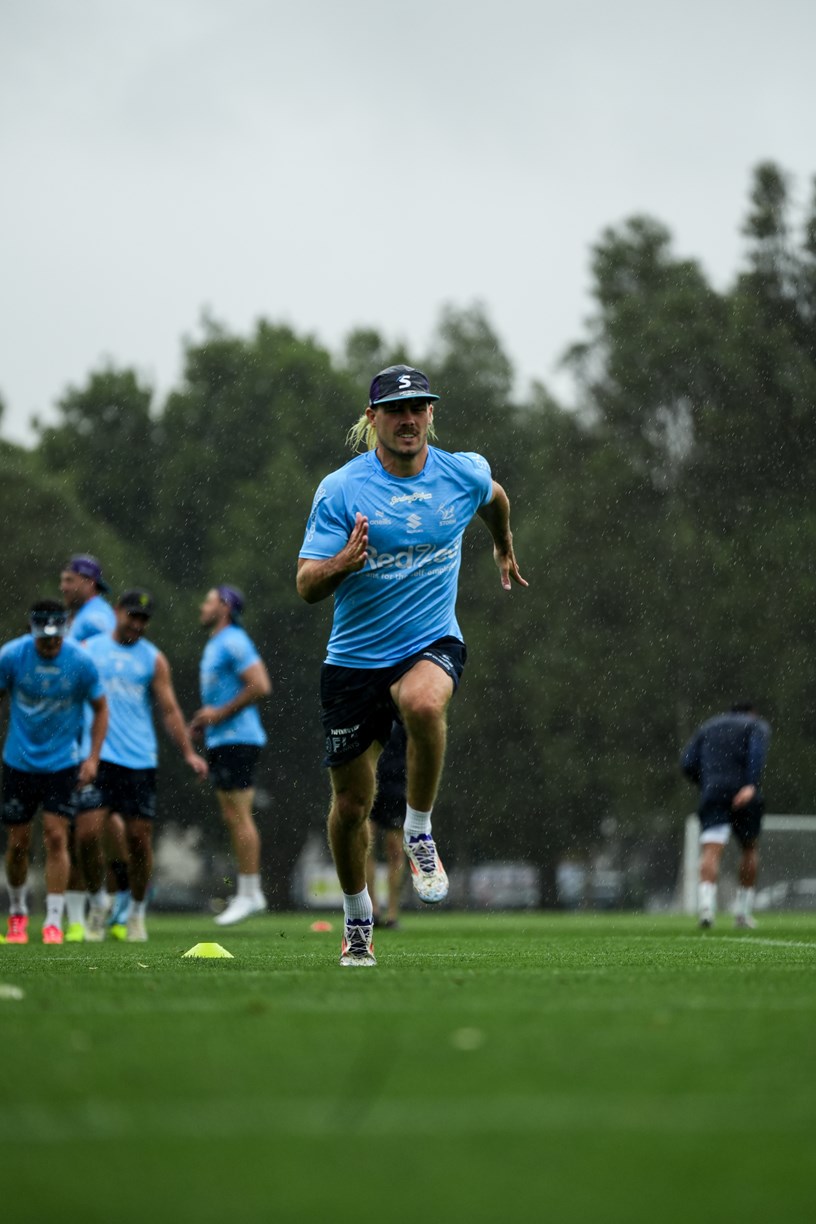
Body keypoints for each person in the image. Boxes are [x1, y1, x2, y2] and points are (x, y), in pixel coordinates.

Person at [297, 364, 527, 966]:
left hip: (430, 641)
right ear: (372, 419)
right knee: (350, 809)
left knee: (423, 702)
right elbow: (304, 585)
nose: (408, 419)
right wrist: (341, 564)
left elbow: (496, 497)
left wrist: (502, 544)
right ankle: (357, 922)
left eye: (418, 408)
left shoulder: (461, 473)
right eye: (395, 410)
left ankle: (420, 830)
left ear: (430, 415)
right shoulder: (342, 489)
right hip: (353, 662)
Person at [78, 590, 209, 941]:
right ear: (117, 611)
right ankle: (97, 904)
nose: (137, 624)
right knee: (88, 835)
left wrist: (188, 754)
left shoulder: (153, 659)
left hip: (138, 760)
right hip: (98, 757)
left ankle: (136, 912)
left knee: (138, 840)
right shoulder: (89, 650)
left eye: (143, 620)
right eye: (132, 616)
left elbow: (169, 710)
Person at [0, 601, 108, 944]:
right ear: (32, 631)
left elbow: (101, 707)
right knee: (17, 844)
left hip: (63, 762)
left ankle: (53, 920)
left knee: (57, 837)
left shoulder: (80, 661)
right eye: (43, 639)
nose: (50, 645)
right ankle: (17, 914)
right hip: (18, 761)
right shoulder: (12, 656)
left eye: (56, 638)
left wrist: (92, 758)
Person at [190, 586, 272, 926]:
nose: (202, 606)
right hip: (224, 740)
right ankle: (248, 891)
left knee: (239, 815)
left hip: (238, 739)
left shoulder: (234, 641)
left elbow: (261, 685)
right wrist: (207, 721)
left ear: (224, 607)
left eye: (208, 601)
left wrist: (219, 715)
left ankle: (250, 893)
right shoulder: (217, 643)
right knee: (232, 815)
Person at [59, 553, 128, 940]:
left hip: (93, 737)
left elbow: (95, 676)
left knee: (91, 824)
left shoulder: (96, 618)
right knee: (78, 827)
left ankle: (115, 895)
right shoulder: (80, 618)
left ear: (89, 582)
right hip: (80, 734)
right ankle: (95, 903)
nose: (64, 587)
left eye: (70, 580)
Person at [681, 701, 771, 930]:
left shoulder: (709, 726)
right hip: (744, 793)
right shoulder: (755, 725)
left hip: (714, 792)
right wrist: (750, 784)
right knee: (749, 848)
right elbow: (756, 754)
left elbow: (687, 763)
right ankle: (742, 912)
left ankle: (706, 909)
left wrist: (708, 782)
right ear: (752, 712)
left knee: (711, 849)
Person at [366, 720, 407, 929]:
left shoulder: (403, 707)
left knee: (395, 850)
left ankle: (392, 913)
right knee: (365, 845)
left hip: (397, 785)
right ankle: (371, 909)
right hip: (369, 779)